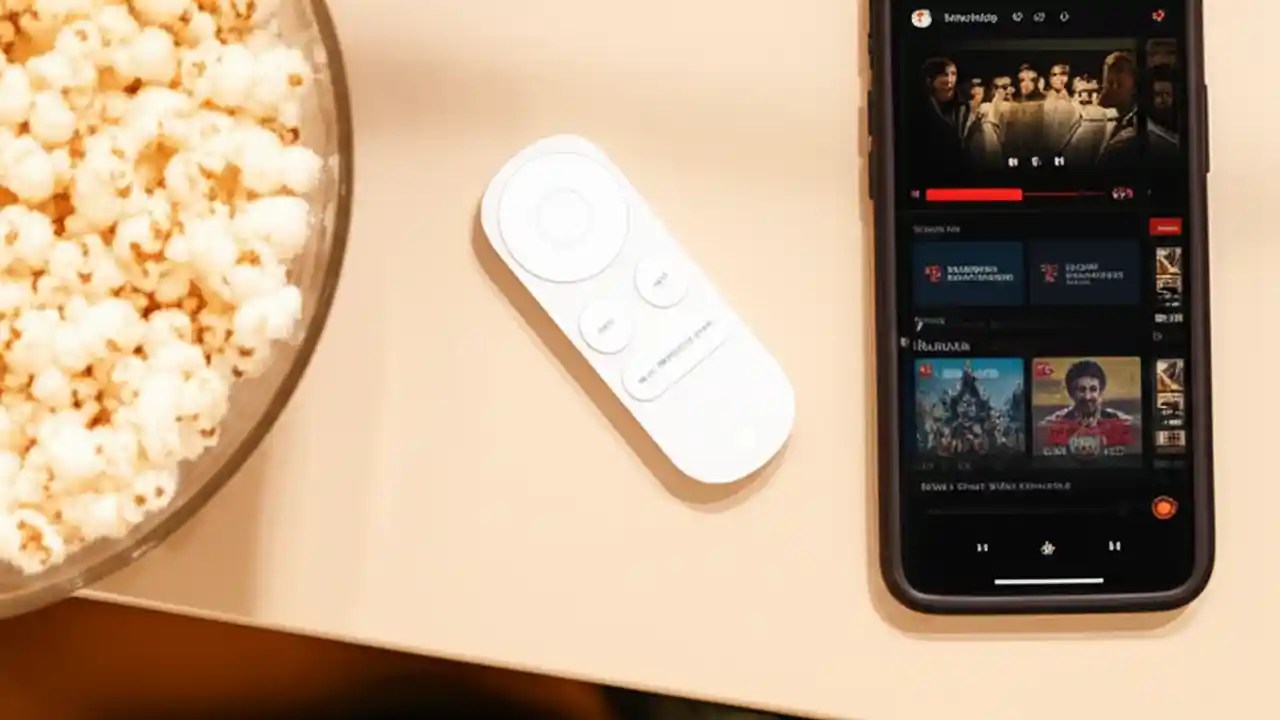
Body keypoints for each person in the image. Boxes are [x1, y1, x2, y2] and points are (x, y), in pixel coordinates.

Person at [912, 57, 971, 178]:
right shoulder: (920, 108)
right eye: (944, 75)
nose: (950, 80)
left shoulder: (965, 106)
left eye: (953, 74)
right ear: (931, 79)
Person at [1041, 360, 1135, 427]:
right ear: (1071, 393)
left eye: (1093, 389)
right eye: (1081, 390)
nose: (1087, 397)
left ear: (1101, 392)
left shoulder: (1122, 421)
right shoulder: (1052, 424)